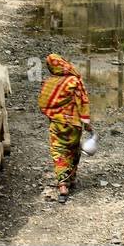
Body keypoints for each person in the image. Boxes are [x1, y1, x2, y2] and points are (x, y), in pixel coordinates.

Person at [39, 54, 92, 202]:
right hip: (74, 124)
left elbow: (43, 103)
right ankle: (71, 178)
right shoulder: (74, 81)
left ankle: (62, 184)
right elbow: (83, 101)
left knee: (59, 151)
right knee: (73, 150)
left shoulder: (48, 82)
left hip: (57, 123)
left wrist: (53, 114)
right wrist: (87, 122)